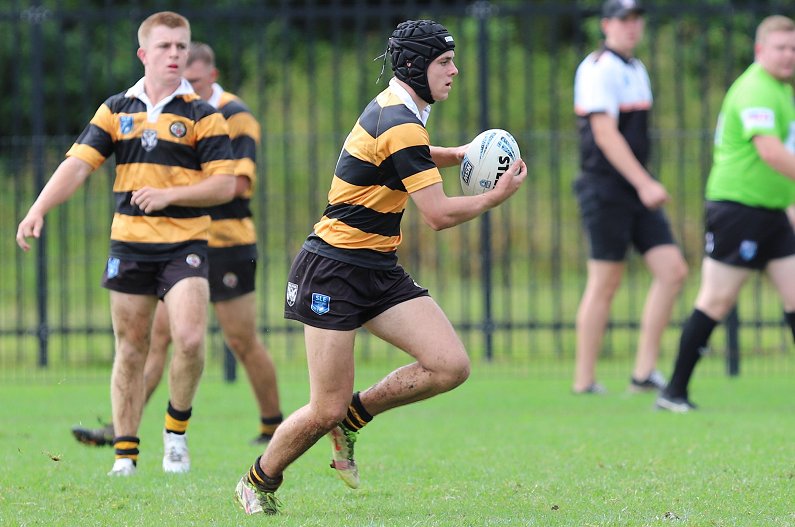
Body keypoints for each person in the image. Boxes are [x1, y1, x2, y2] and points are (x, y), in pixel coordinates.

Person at [233, 19, 527, 515]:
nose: (454, 70)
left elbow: (406, 156)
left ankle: (354, 417)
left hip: (377, 267)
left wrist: (457, 154)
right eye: (444, 63)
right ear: (415, 67)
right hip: (331, 269)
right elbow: (436, 215)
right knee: (322, 404)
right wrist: (495, 197)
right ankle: (257, 480)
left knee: (450, 365)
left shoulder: (402, 111)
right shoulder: (400, 119)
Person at [16, 11, 237, 476]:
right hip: (130, 245)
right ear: (144, 54)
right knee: (131, 347)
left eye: (182, 46)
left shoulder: (203, 115)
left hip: (186, 243)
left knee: (192, 340)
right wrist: (37, 209)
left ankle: (175, 434)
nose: (176, 54)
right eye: (165, 46)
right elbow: (78, 165)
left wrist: (170, 195)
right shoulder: (116, 108)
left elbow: (226, 186)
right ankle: (126, 456)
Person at [69, 42, 284, 449]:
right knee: (160, 337)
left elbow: (235, 185)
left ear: (212, 78)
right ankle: (122, 429)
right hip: (180, 243)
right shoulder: (163, 110)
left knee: (241, 339)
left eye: (197, 81)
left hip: (229, 241)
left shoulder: (233, 116)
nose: (190, 87)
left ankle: (273, 424)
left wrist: (174, 189)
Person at [656, 15, 795, 412]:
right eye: (780, 47)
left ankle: (674, 391)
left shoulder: (781, 91)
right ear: (760, 50)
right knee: (716, 300)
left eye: (793, 48)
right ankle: (674, 392)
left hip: (771, 212)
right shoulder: (757, 89)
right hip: (739, 211)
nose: (788, 56)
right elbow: (769, 152)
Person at [571, 0, 688, 394]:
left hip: (636, 188)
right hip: (606, 187)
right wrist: (644, 183)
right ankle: (584, 381)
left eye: (636, 19)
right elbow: (605, 134)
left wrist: (642, 184)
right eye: (623, 20)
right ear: (606, 24)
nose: (631, 27)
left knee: (673, 271)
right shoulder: (597, 68)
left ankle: (643, 374)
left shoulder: (636, 69)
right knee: (605, 282)